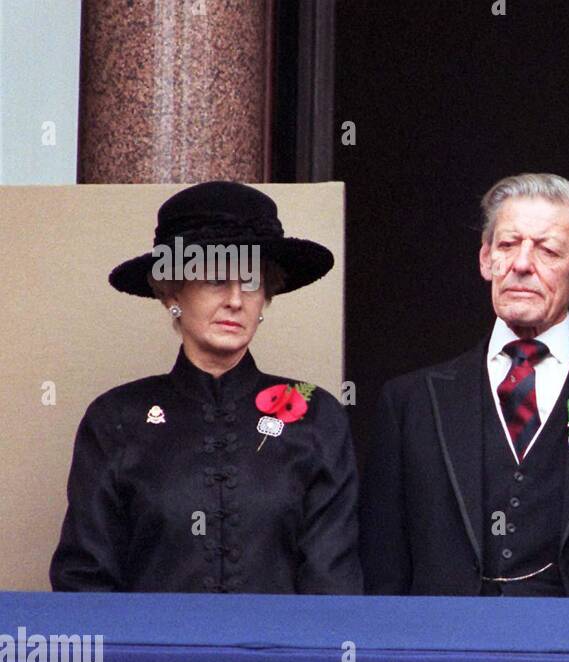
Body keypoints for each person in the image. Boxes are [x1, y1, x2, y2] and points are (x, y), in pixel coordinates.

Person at [50, 181, 361, 593]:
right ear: (172, 292)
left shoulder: (315, 415)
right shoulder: (116, 419)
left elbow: (332, 587)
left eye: (251, 280)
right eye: (215, 278)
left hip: (278, 656)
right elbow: (84, 583)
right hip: (149, 656)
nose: (235, 299)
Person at [361, 173, 569, 597]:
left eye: (547, 250)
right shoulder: (410, 402)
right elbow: (383, 567)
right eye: (507, 245)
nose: (522, 264)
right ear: (486, 259)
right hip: (443, 650)